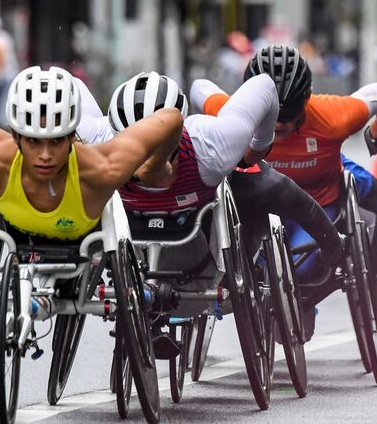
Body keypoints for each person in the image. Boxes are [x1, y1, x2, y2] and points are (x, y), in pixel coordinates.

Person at [75, 70, 345, 345]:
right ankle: (144, 311)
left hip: (198, 228)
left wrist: (258, 149)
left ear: (178, 136)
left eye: (161, 151)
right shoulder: (97, 140)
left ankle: (334, 246)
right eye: (135, 152)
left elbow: (264, 86)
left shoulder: (215, 143)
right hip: (131, 226)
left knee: (272, 188)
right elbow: (65, 84)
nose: (147, 165)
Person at [196, 45, 377, 308]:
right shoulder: (231, 113)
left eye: (289, 113)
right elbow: (199, 87)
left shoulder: (333, 116)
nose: (279, 123)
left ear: (306, 100)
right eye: (270, 113)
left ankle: (372, 280)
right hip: (262, 202)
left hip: (321, 199)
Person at [0, 66, 183, 243]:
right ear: (16, 137)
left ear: (72, 138)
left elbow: (171, 117)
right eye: (34, 141)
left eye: (55, 141)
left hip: (81, 228)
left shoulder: (104, 168)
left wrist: (154, 167)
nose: (45, 155)